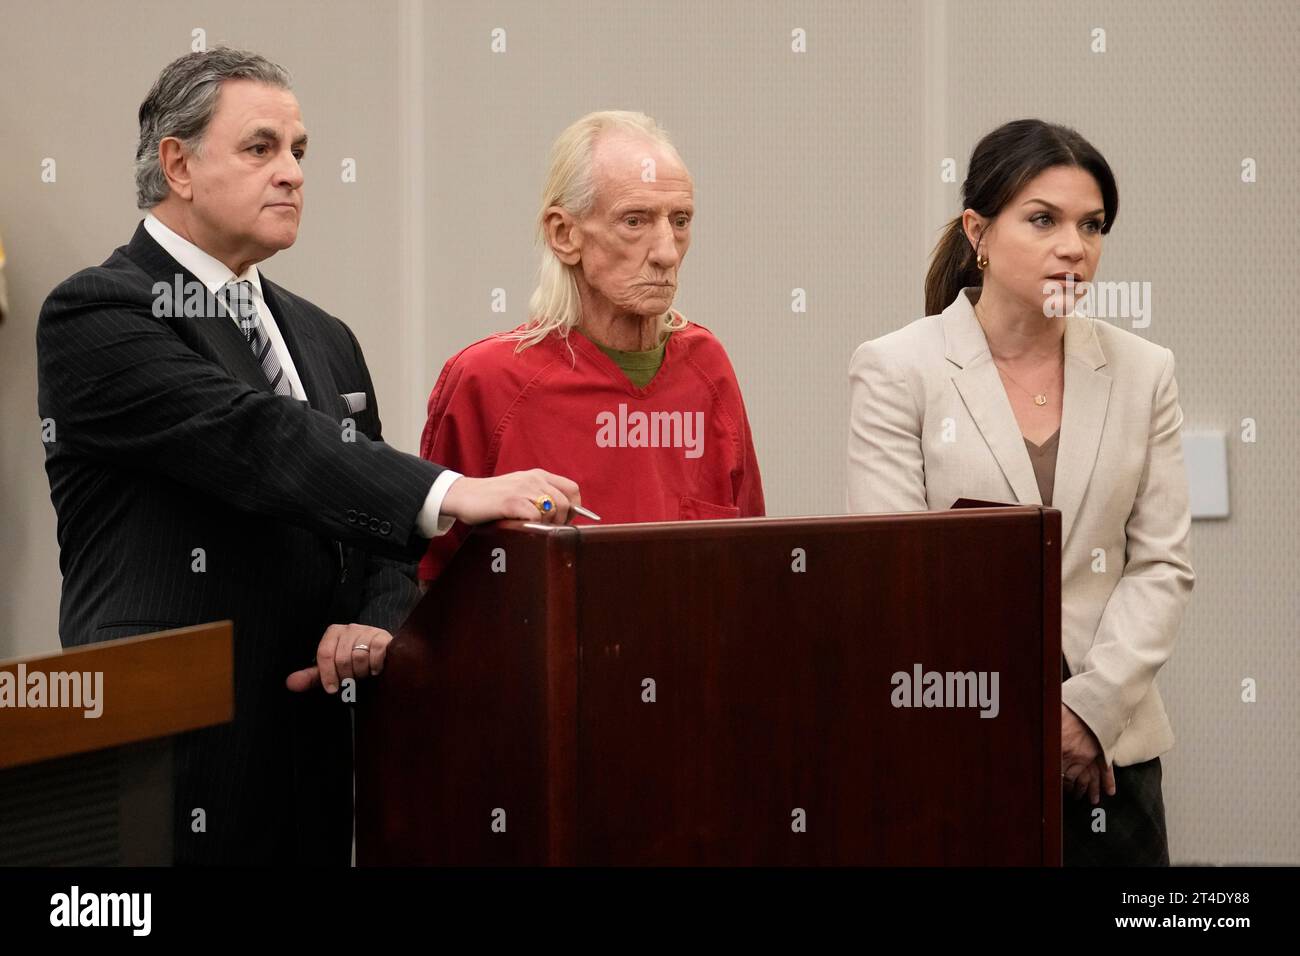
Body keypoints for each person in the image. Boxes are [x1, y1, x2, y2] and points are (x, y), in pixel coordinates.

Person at [36, 47, 580, 865]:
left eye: (299, 151)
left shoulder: (325, 337)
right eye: (261, 148)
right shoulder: (97, 312)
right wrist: (453, 490)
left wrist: (376, 621)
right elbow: (254, 438)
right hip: (165, 754)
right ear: (178, 166)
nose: (292, 173)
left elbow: (372, 531)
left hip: (309, 763)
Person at [846, 119, 1194, 865]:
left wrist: (1087, 713)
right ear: (979, 231)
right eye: (1043, 220)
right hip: (957, 743)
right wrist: (1015, 726)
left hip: (1109, 754)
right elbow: (894, 579)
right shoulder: (898, 369)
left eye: (1092, 225)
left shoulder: (1145, 370)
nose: (1074, 247)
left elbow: (1161, 565)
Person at [418, 111, 764, 584]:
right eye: (635, 221)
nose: (667, 252)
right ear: (564, 235)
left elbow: (753, 565)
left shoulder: (708, 366)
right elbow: (430, 585)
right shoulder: (488, 379)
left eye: (680, 221)